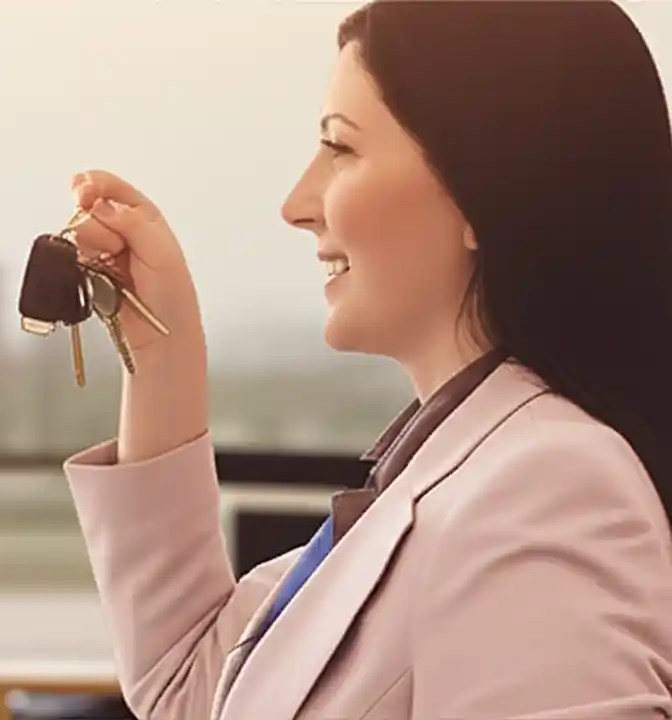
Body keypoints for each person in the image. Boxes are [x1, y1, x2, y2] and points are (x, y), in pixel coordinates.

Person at [62, 1, 672, 718]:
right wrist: (159, 350)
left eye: (341, 148)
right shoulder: (445, 474)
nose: (297, 203)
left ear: (481, 182)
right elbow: (192, 684)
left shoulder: (550, 491)